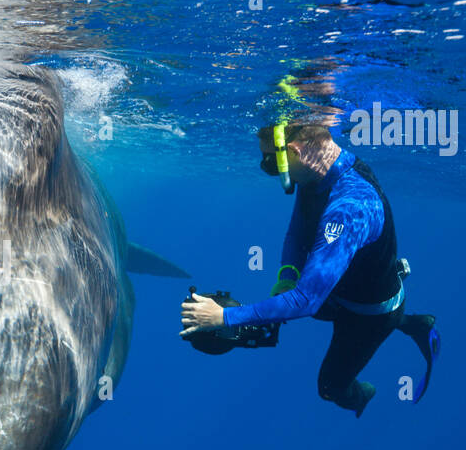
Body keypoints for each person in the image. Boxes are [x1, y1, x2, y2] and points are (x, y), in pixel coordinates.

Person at [180, 123, 440, 417]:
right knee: (293, 303)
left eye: (269, 161)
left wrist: (224, 317)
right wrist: (287, 276)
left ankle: (366, 391)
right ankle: (412, 322)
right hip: (343, 289)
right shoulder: (320, 173)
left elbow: (306, 301)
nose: (269, 169)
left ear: (294, 150)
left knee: (330, 387)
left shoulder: (349, 207)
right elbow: (297, 233)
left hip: (369, 314)